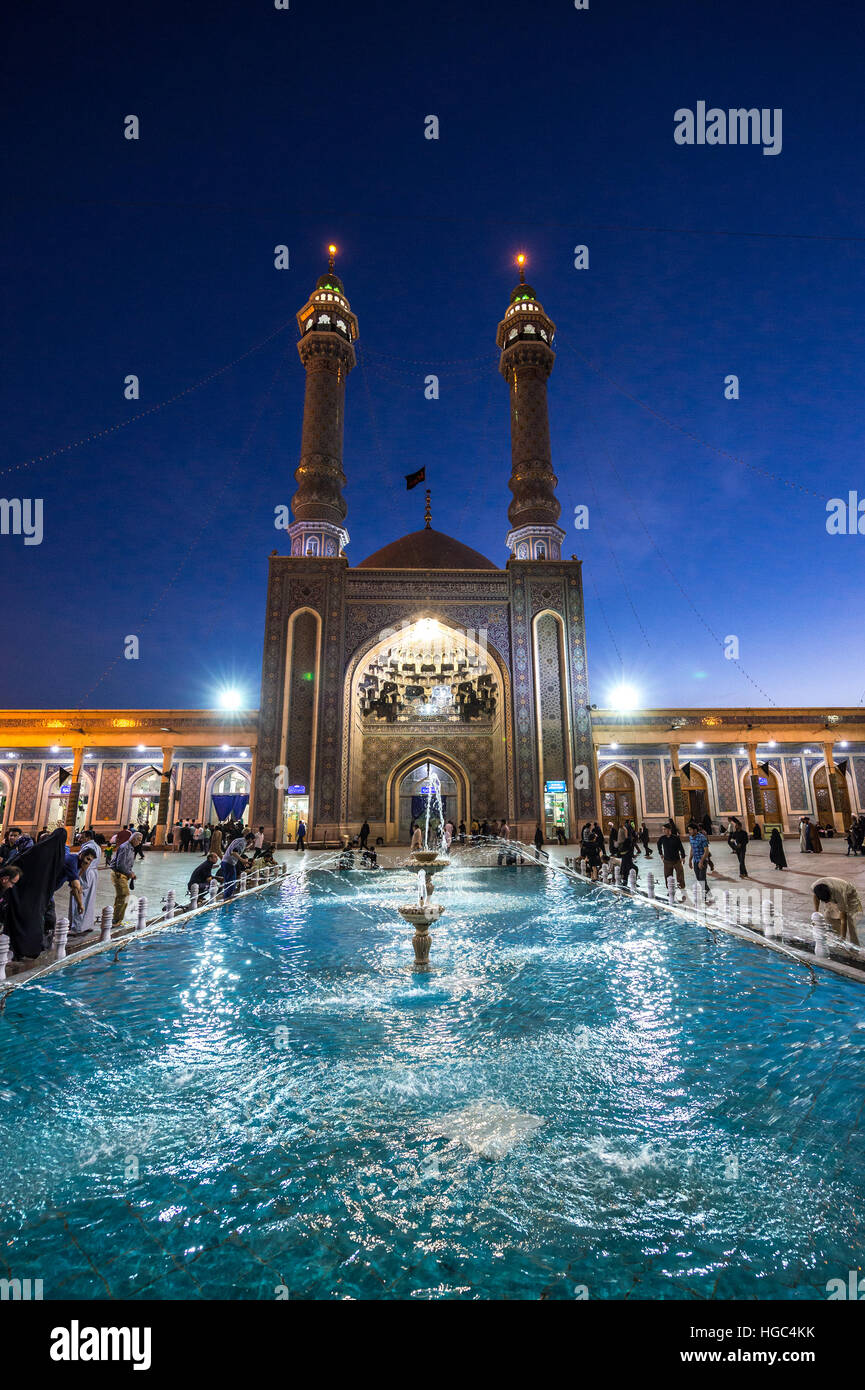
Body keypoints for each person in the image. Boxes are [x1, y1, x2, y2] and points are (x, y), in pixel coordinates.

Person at [812, 877, 863, 947]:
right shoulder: (815, 887)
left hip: (849, 895)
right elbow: (815, 897)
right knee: (829, 915)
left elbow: (843, 920)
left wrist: (843, 939)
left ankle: (855, 948)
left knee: (849, 920)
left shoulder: (839, 894)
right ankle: (836, 941)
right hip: (833, 893)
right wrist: (816, 912)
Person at [111, 833, 141, 927]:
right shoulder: (125, 848)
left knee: (121, 896)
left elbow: (127, 864)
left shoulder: (131, 848)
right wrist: (129, 873)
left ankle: (117, 919)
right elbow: (120, 865)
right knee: (124, 896)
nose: (139, 842)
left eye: (141, 840)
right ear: (133, 839)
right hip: (119, 874)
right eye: (138, 840)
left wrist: (130, 873)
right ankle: (116, 920)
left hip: (124, 875)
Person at [68, 846, 99, 936]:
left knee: (84, 900)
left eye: (90, 861)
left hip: (87, 876)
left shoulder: (83, 862)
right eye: (87, 859)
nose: (87, 862)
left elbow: (76, 884)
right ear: (81, 854)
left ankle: (80, 926)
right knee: (79, 899)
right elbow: (74, 887)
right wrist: (80, 904)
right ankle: (77, 926)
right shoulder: (73, 861)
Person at [657, 821, 686, 891]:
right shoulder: (662, 838)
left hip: (677, 861)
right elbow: (658, 844)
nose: (663, 831)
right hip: (667, 861)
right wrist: (661, 854)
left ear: (669, 829)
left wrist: (683, 857)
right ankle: (670, 889)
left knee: (680, 875)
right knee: (668, 876)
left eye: (664, 829)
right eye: (662, 829)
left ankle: (682, 888)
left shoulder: (675, 838)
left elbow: (681, 848)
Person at [687, 822, 712, 900]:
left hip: (703, 861)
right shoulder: (690, 837)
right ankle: (708, 892)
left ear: (695, 830)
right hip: (695, 861)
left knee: (702, 878)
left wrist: (701, 861)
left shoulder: (702, 838)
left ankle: (704, 896)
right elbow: (692, 849)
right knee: (699, 878)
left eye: (690, 830)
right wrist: (690, 860)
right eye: (688, 830)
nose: (689, 831)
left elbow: (706, 851)